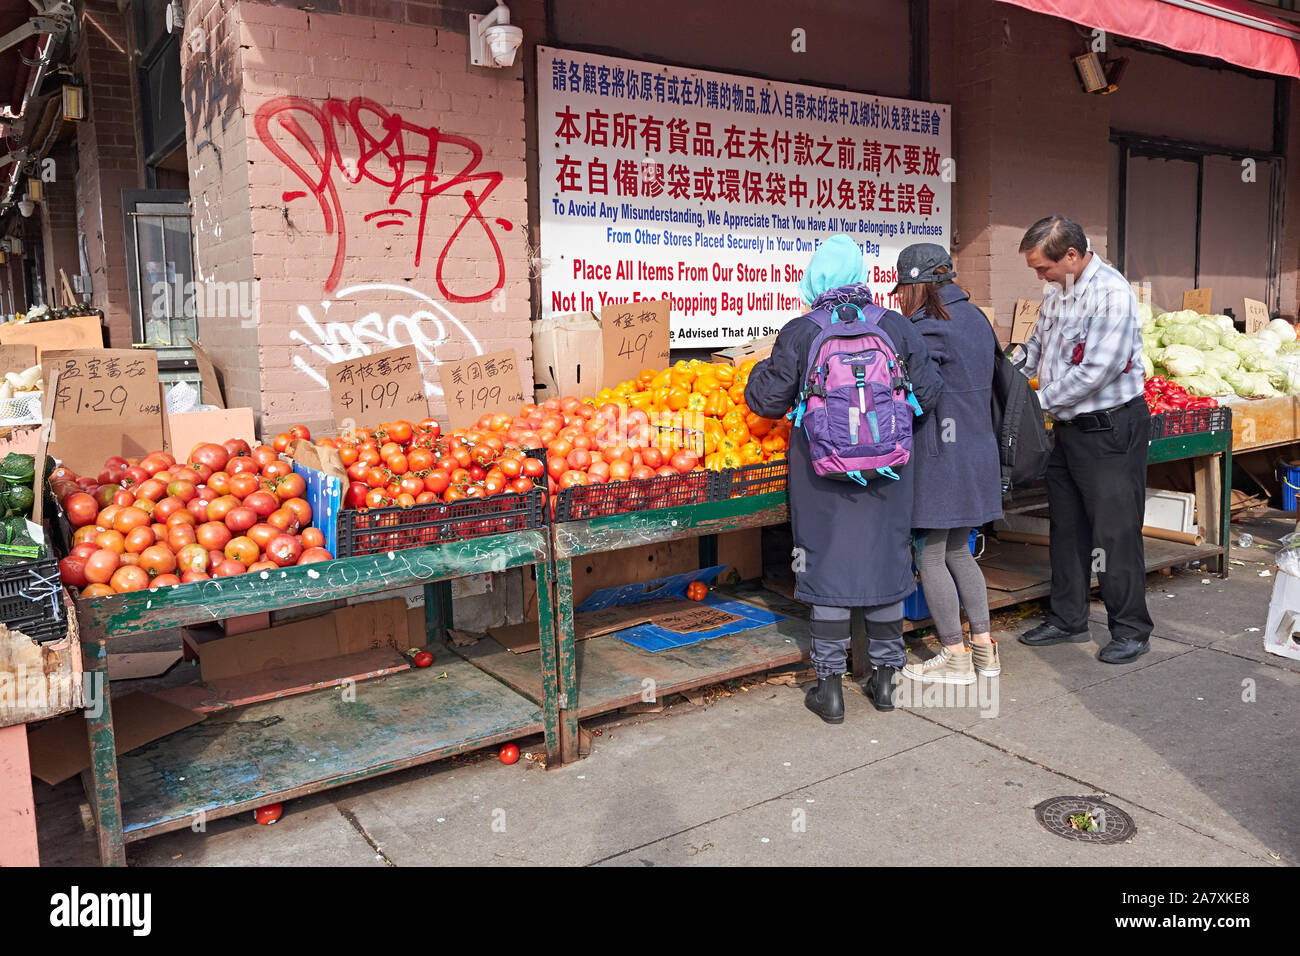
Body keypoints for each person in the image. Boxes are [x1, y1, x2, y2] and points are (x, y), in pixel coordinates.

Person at [745, 234, 942, 721]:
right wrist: (886, 431)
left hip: (822, 473)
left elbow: (767, 402)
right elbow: (932, 391)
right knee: (886, 563)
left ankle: (829, 689)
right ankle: (885, 682)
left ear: (815, 278)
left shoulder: (802, 330)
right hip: (890, 469)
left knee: (826, 565)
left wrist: (755, 374)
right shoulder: (893, 325)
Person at [1017, 215, 1153, 664]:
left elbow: (1099, 370)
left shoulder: (1113, 295)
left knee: (1115, 534)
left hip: (1111, 429)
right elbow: (1035, 346)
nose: (1040, 277)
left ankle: (1131, 628)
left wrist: (1037, 404)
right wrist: (1008, 379)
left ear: (1071, 256)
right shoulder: (1057, 291)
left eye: (1043, 268)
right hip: (1069, 429)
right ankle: (1067, 618)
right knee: (1068, 527)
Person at [888, 244, 1004, 685]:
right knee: (960, 548)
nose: (900, 298)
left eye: (903, 289)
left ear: (919, 285)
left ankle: (953, 654)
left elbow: (920, 395)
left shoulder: (929, 327)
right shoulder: (975, 318)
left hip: (940, 455)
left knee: (930, 554)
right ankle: (984, 650)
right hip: (977, 450)